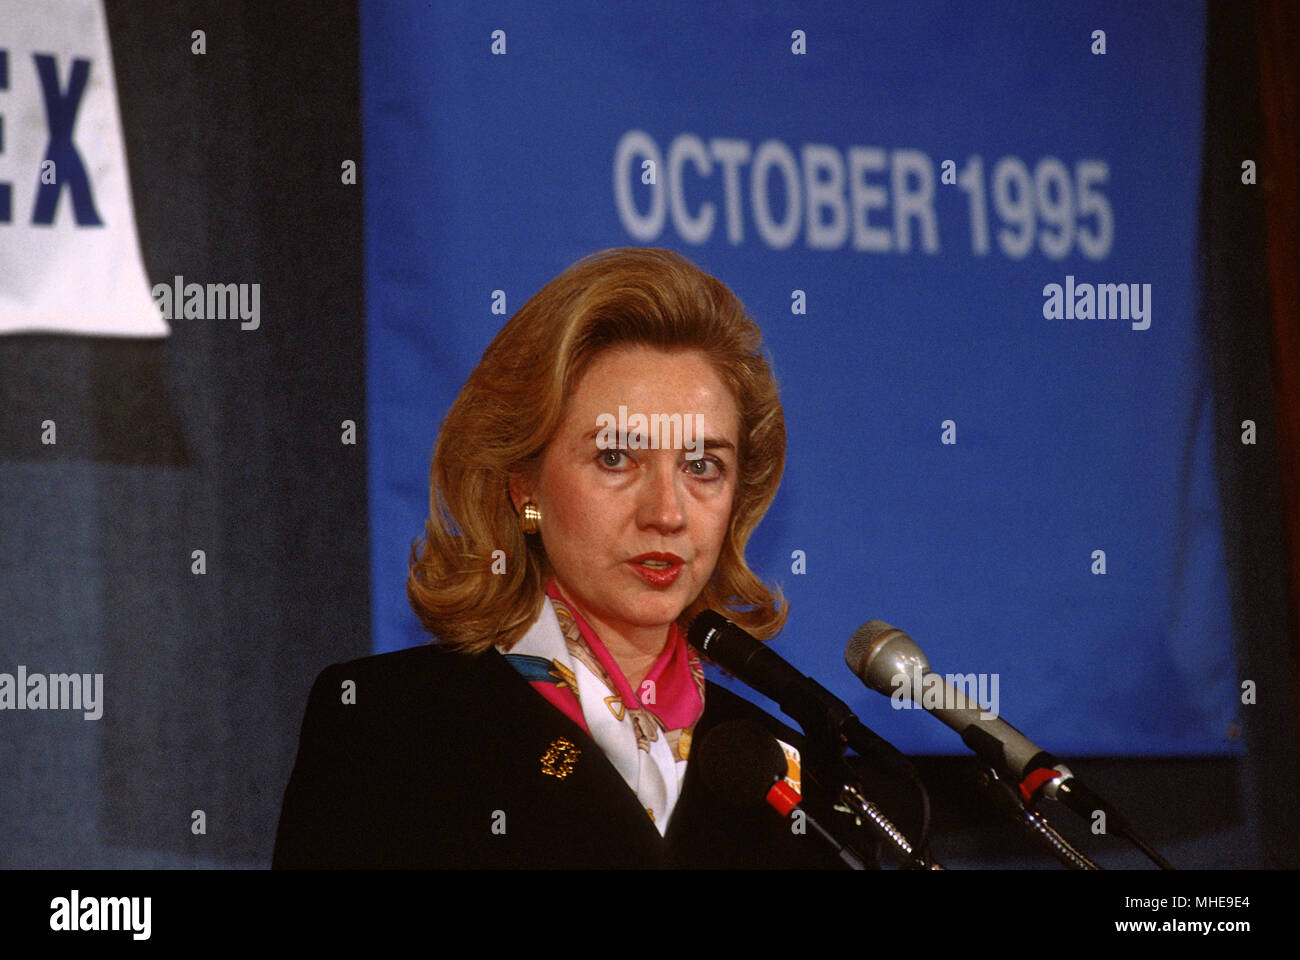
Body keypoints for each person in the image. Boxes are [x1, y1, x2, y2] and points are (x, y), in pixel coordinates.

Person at [272, 247, 851, 868]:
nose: (667, 512)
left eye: (701, 466)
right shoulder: (388, 727)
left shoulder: (778, 775)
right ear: (525, 483)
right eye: (615, 458)